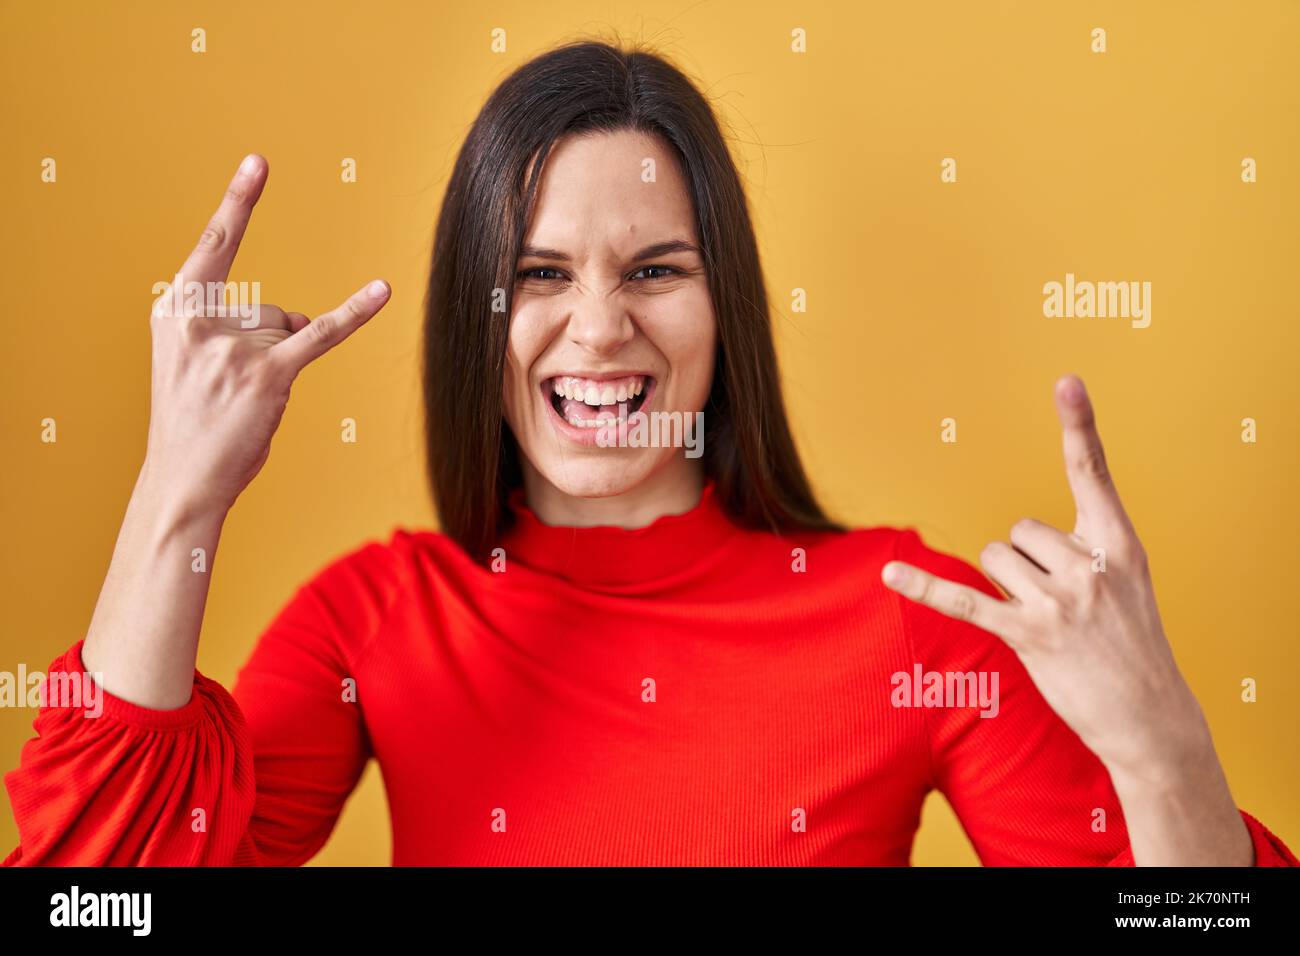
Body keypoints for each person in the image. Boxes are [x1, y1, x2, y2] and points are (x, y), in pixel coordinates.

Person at [4, 40, 1294, 866]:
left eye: (657, 269)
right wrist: (178, 493)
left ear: (723, 303)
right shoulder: (379, 619)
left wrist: (1162, 742)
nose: (600, 326)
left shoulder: (915, 622)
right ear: (476, 317)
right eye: (539, 274)